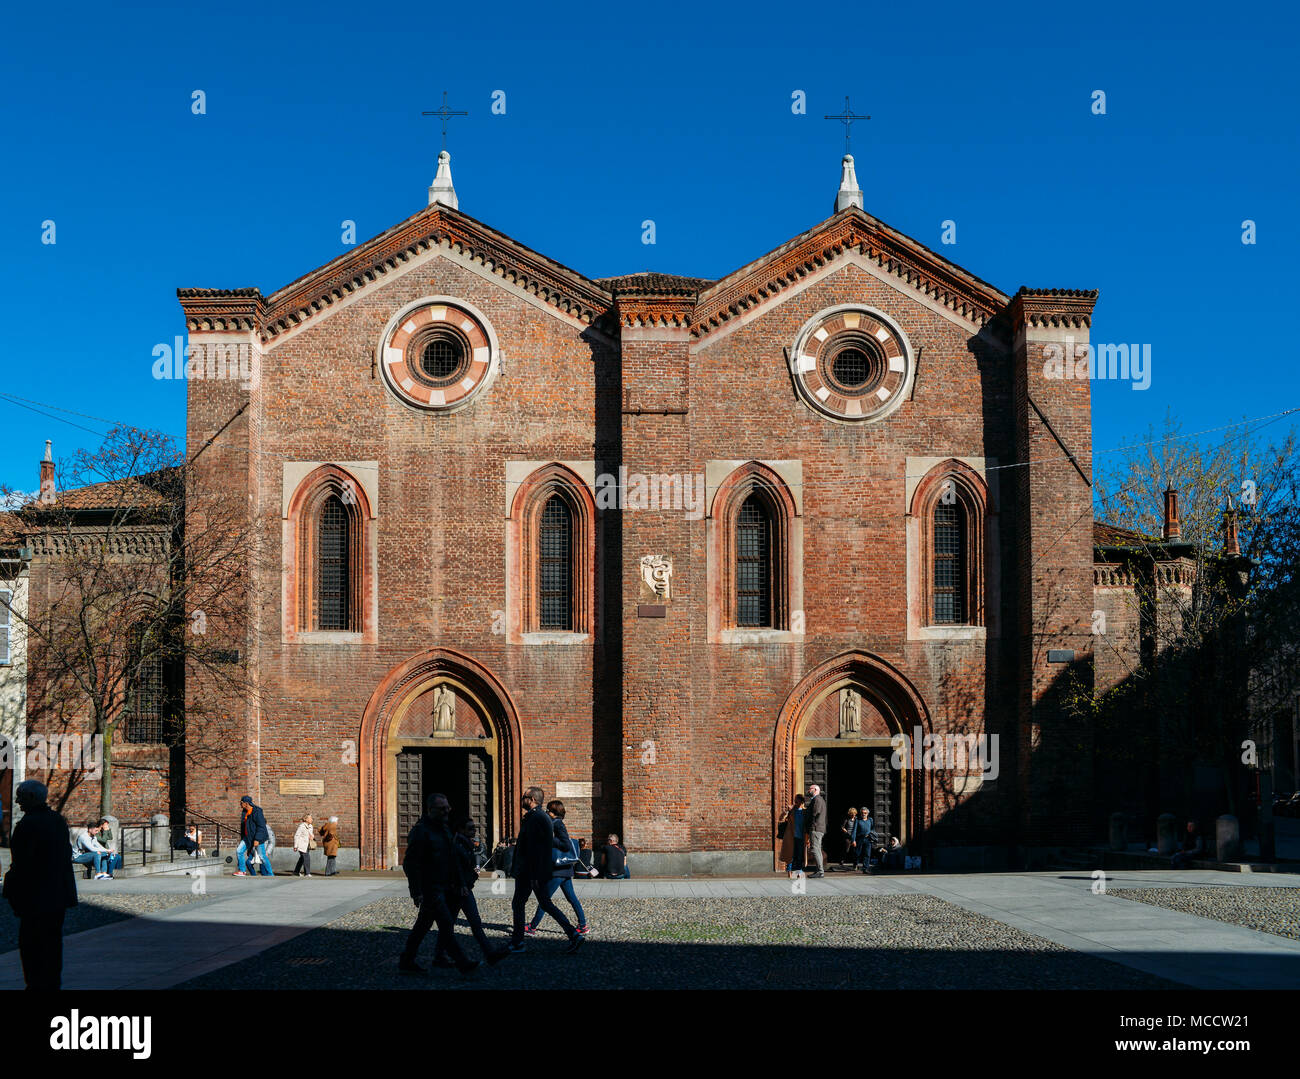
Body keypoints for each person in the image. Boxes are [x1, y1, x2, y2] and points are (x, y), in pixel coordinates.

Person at [3, 781, 78, 989]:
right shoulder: (57, 821)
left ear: (31, 798)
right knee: (52, 943)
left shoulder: (29, 824)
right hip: (56, 895)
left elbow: (23, 863)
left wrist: (13, 888)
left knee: (32, 945)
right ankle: (51, 983)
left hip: (35, 897)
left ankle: (37, 984)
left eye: (20, 796)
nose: (17, 801)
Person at [399, 792, 478, 976]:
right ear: (431, 810)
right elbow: (411, 863)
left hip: (443, 885)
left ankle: (407, 960)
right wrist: (415, 891)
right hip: (429, 887)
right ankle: (462, 962)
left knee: (423, 926)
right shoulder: (421, 831)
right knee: (446, 923)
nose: (447, 811)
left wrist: (459, 882)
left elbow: (452, 859)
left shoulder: (444, 828)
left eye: (447, 808)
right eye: (442, 809)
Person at [508, 786, 583, 954]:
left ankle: (518, 942)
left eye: (524, 797)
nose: (522, 800)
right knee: (544, 903)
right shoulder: (535, 817)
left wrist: (535, 872)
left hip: (530, 871)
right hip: (529, 870)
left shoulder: (539, 818)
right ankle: (573, 934)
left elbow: (539, 849)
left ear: (532, 800)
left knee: (520, 903)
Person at [434, 817, 510, 967]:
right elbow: (456, 867)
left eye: (474, 828)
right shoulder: (457, 844)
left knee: (471, 922)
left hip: (465, 888)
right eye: (470, 828)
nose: (474, 830)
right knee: (453, 924)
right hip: (459, 889)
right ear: (461, 830)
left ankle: (489, 953)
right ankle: (440, 956)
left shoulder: (466, 843)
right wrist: (462, 884)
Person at [525, 800, 589, 936]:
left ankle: (532, 926)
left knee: (544, 899)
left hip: (558, 869)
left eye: (548, 810)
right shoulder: (553, 824)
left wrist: (548, 838)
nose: (547, 812)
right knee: (572, 898)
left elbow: (565, 844)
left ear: (553, 812)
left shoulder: (558, 824)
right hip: (564, 868)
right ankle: (583, 925)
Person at [234, 795, 274, 877]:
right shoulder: (244, 812)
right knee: (239, 851)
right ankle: (242, 871)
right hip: (247, 837)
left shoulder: (257, 811)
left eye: (241, 803)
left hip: (257, 838)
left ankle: (270, 874)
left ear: (246, 803)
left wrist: (257, 839)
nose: (240, 804)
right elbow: (244, 827)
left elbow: (261, 827)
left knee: (262, 856)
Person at [778, 794, 807, 873]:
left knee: (800, 853)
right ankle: (789, 869)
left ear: (801, 802)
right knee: (790, 853)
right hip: (791, 836)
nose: (795, 802)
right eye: (795, 801)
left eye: (797, 801)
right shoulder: (791, 811)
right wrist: (787, 811)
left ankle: (799, 869)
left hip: (801, 836)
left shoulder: (805, 811)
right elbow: (781, 819)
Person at [806, 783, 827, 878]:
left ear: (815, 790)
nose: (808, 790)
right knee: (817, 849)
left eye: (810, 789)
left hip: (816, 828)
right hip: (818, 828)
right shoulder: (818, 799)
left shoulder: (817, 799)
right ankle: (820, 870)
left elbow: (815, 813)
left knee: (815, 849)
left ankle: (820, 871)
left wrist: (810, 824)